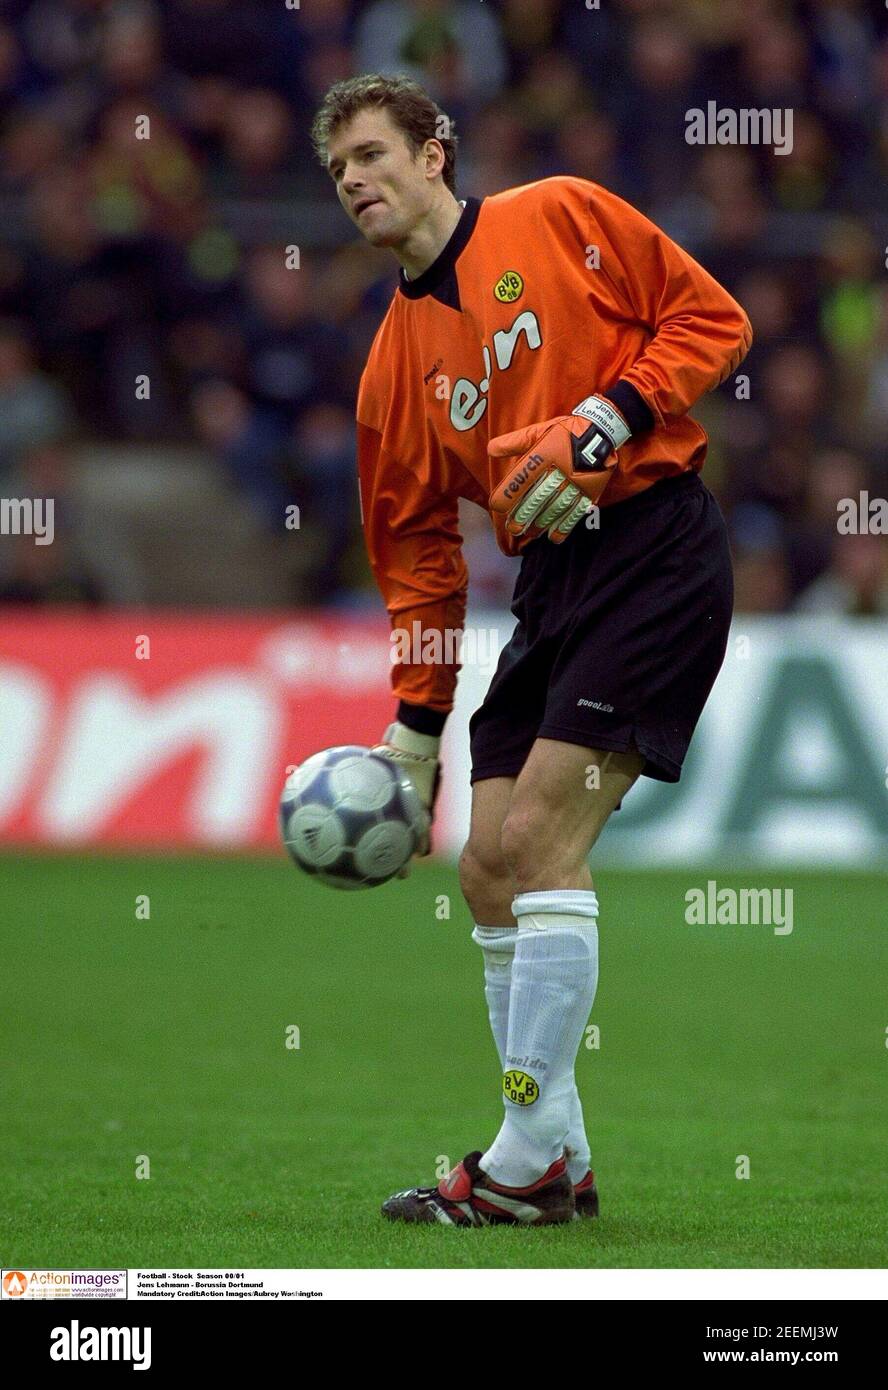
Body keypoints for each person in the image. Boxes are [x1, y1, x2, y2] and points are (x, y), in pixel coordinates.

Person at [311, 74, 752, 1226]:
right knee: (487, 868)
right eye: (337, 170)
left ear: (436, 152)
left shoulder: (559, 214)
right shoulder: (388, 378)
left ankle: (517, 1162)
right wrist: (414, 739)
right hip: (555, 587)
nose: (355, 179)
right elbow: (418, 565)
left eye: (370, 152)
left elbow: (715, 319)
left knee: (543, 840)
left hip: (654, 548)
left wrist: (607, 417)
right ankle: (556, 1155)